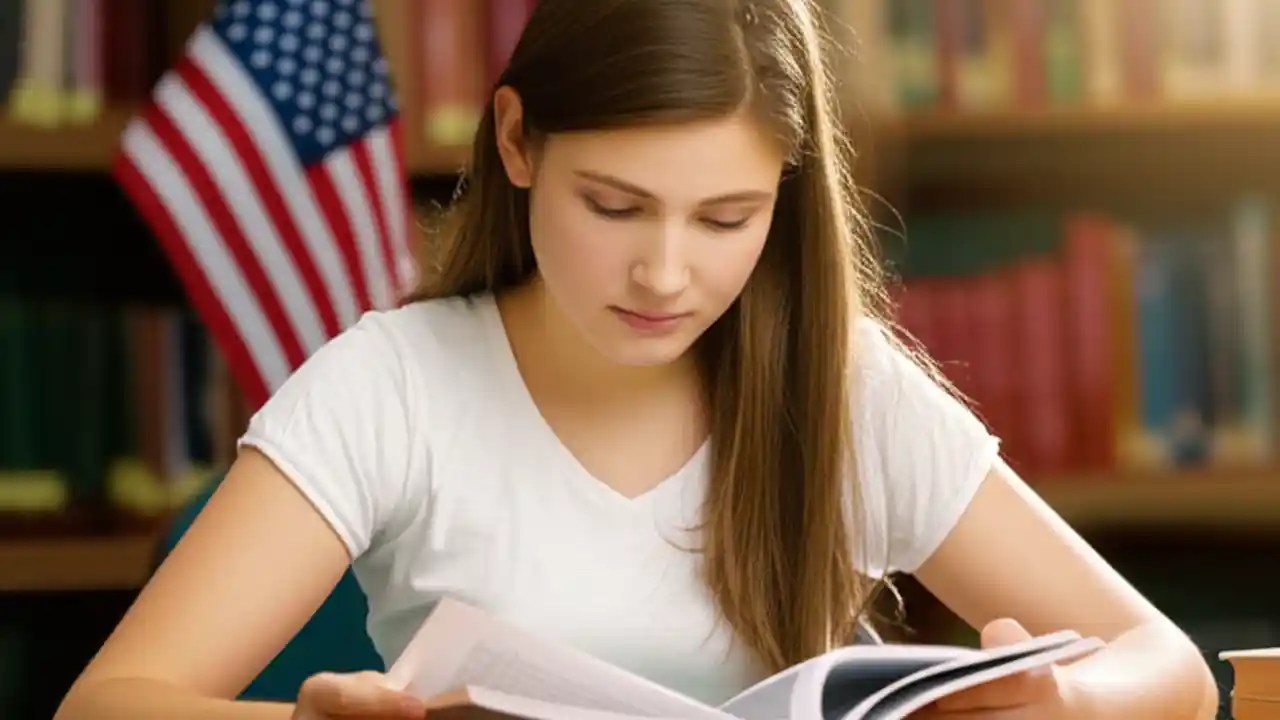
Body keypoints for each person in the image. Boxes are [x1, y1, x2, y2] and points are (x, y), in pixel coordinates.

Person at [56, 1, 1217, 718]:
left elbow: (1168, 665)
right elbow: (110, 703)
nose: (666, 274)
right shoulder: (394, 384)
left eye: (724, 219)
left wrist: (1063, 701)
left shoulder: (841, 382)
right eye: (613, 205)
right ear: (515, 142)